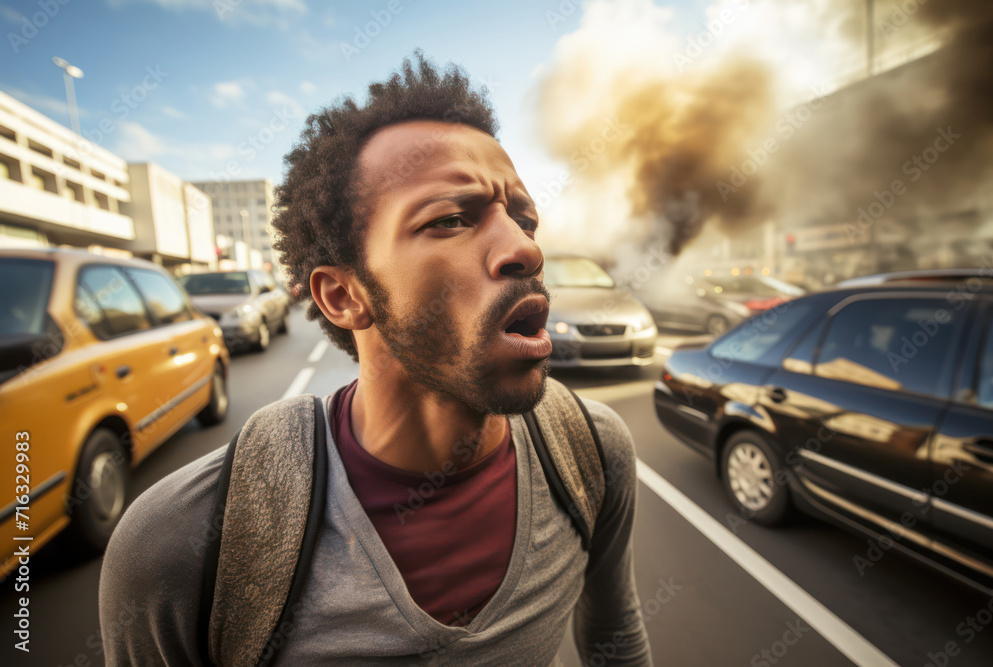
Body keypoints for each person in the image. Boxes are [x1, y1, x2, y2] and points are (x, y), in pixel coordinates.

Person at [99, 51, 652, 666]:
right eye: (449, 220)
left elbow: (616, 638)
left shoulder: (593, 454)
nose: (524, 248)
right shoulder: (178, 545)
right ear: (343, 296)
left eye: (523, 218)